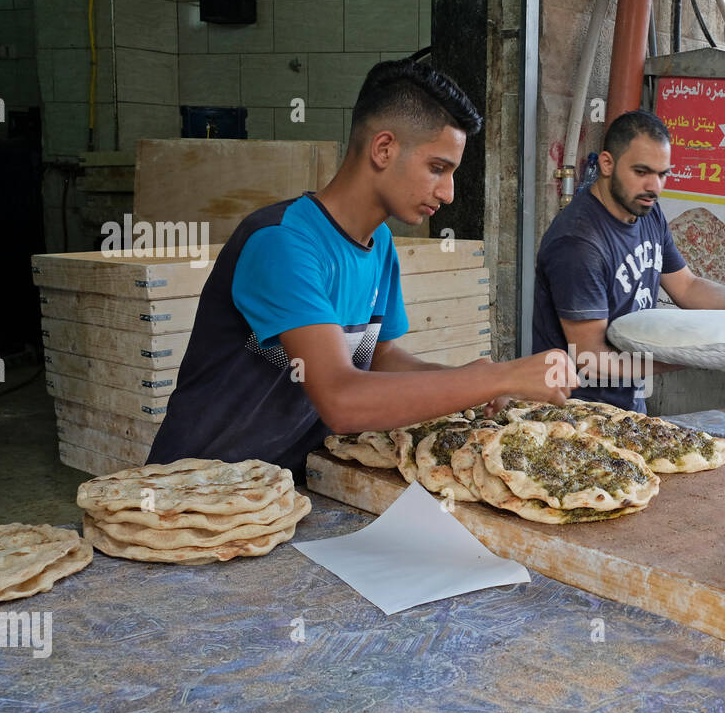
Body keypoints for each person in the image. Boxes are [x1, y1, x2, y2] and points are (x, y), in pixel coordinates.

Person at [148, 61, 575, 476]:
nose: (447, 193)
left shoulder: (379, 244)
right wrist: (501, 377)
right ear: (384, 148)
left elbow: (378, 360)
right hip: (194, 491)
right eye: (437, 168)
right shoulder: (282, 243)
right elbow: (342, 399)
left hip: (282, 485)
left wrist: (473, 378)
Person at [530, 109, 725, 412]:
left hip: (628, 408)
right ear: (606, 164)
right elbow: (592, 360)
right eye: (641, 172)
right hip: (574, 414)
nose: (654, 186)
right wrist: (684, 358)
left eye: (662, 174)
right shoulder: (578, 243)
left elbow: (687, 287)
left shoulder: (647, 212)